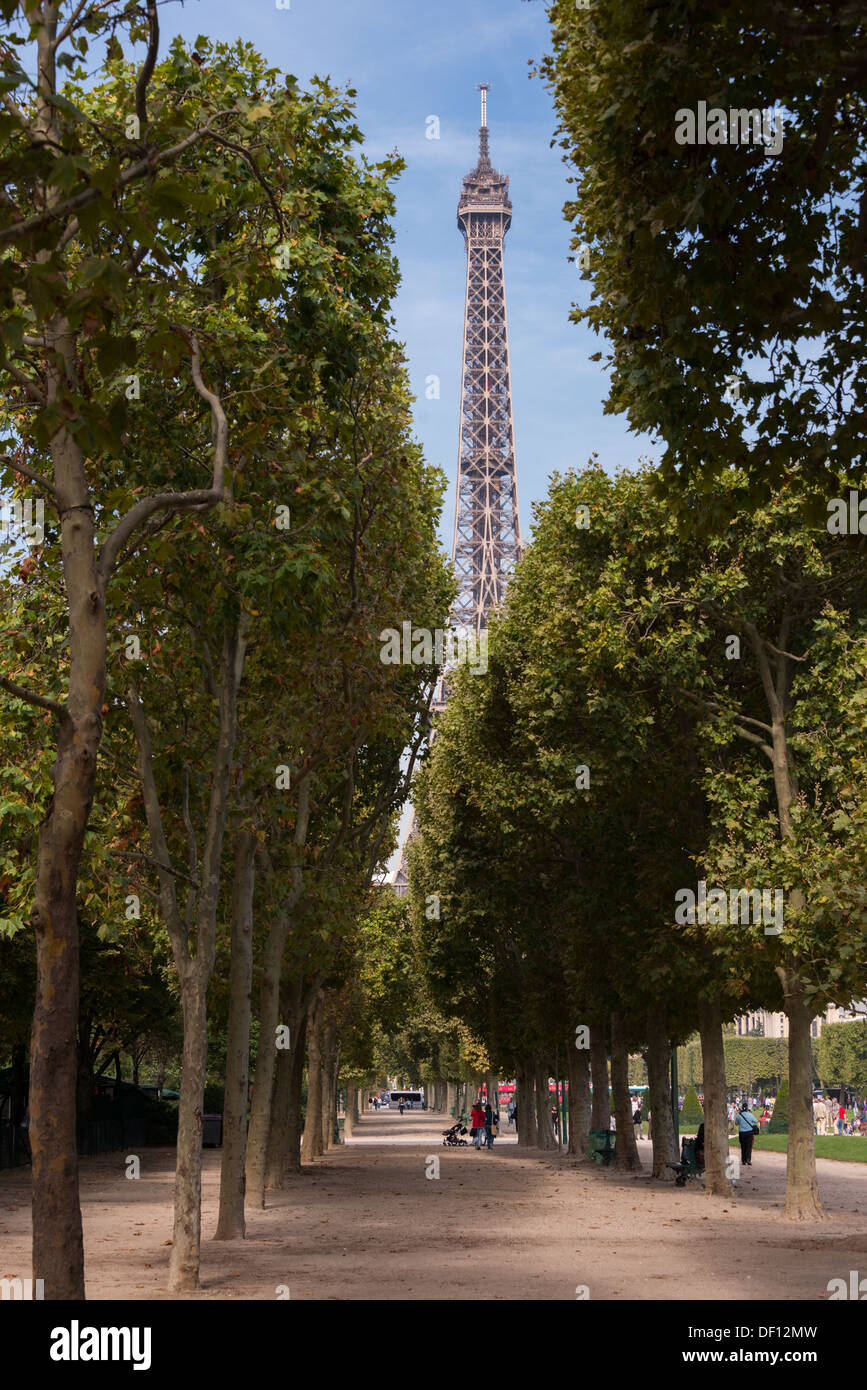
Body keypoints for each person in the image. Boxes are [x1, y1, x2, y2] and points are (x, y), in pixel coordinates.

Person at [736, 1101, 758, 1166]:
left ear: (742, 1108)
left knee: (743, 1147)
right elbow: (756, 1121)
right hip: (749, 1133)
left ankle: (743, 1160)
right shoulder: (750, 1115)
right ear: (747, 1108)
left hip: (742, 1133)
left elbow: (736, 1123)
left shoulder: (739, 1115)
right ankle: (748, 1159)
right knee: (749, 1147)